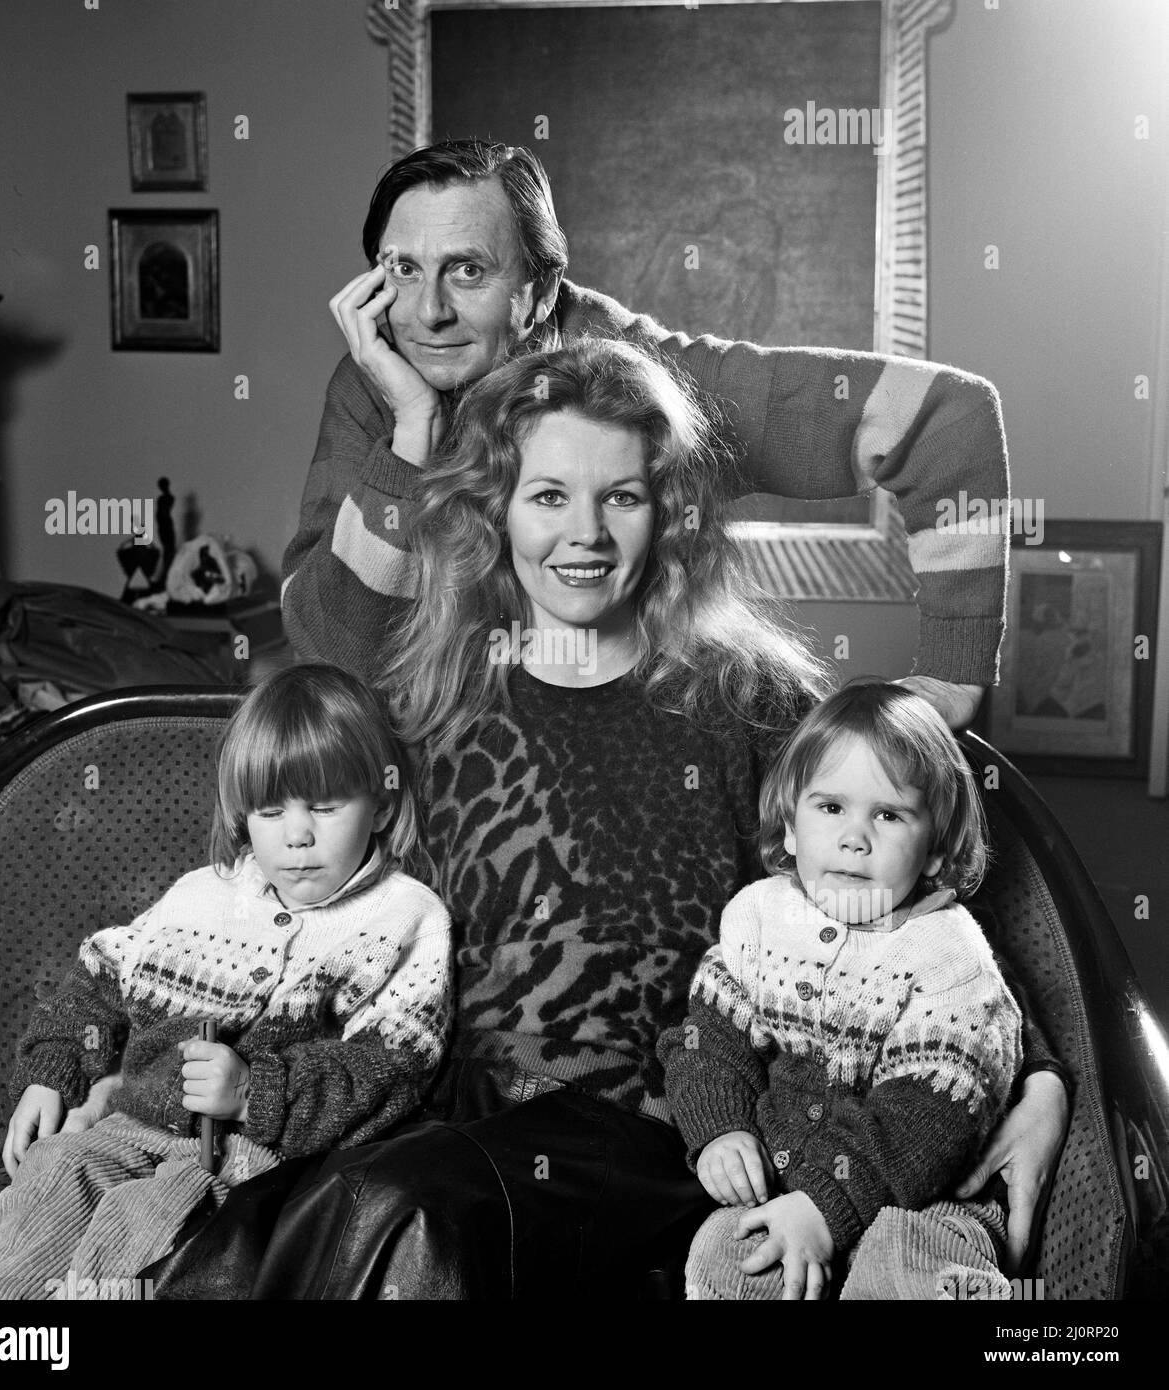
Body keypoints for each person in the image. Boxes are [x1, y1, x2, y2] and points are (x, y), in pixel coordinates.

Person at [148, 341, 1063, 1300]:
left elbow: (916, 899)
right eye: (547, 496)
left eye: (621, 497)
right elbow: (295, 887)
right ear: (494, 507)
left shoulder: (752, 698)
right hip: (443, 1113)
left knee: (401, 1214)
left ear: (670, 512)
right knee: (268, 1230)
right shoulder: (430, 693)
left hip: (663, 1132)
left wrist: (1035, 1074)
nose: (582, 533)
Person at [281, 138, 1008, 731]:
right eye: (403, 270)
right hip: (446, 786)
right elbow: (330, 664)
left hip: (647, 759)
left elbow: (947, 417)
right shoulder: (376, 386)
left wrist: (953, 672)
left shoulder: (651, 389)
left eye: (467, 270)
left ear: (535, 292)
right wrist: (412, 434)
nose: (428, 311)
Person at [0, 664, 451, 1300]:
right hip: (134, 1123)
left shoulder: (405, 917)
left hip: (255, 1160)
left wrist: (256, 1092)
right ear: (243, 817)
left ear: (381, 805)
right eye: (270, 811)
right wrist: (53, 1072)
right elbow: (100, 978)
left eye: (325, 805)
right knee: (47, 1178)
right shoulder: (202, 895)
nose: (297, 835)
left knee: (143, 1225)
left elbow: (394, 1069)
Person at [659, 681, 1023, 1300]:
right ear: (792, 828)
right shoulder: (760, 920)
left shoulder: (947, 957)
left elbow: (926, 1121)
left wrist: (826, 1206)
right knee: (723, 1260)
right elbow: (707, 1040)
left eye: (889, 815)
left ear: (935, 849)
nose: (856, 837)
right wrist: (719, 1127)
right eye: (830, 808)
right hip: (783, 1187)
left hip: (925, 1203)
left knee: (903, 1270)